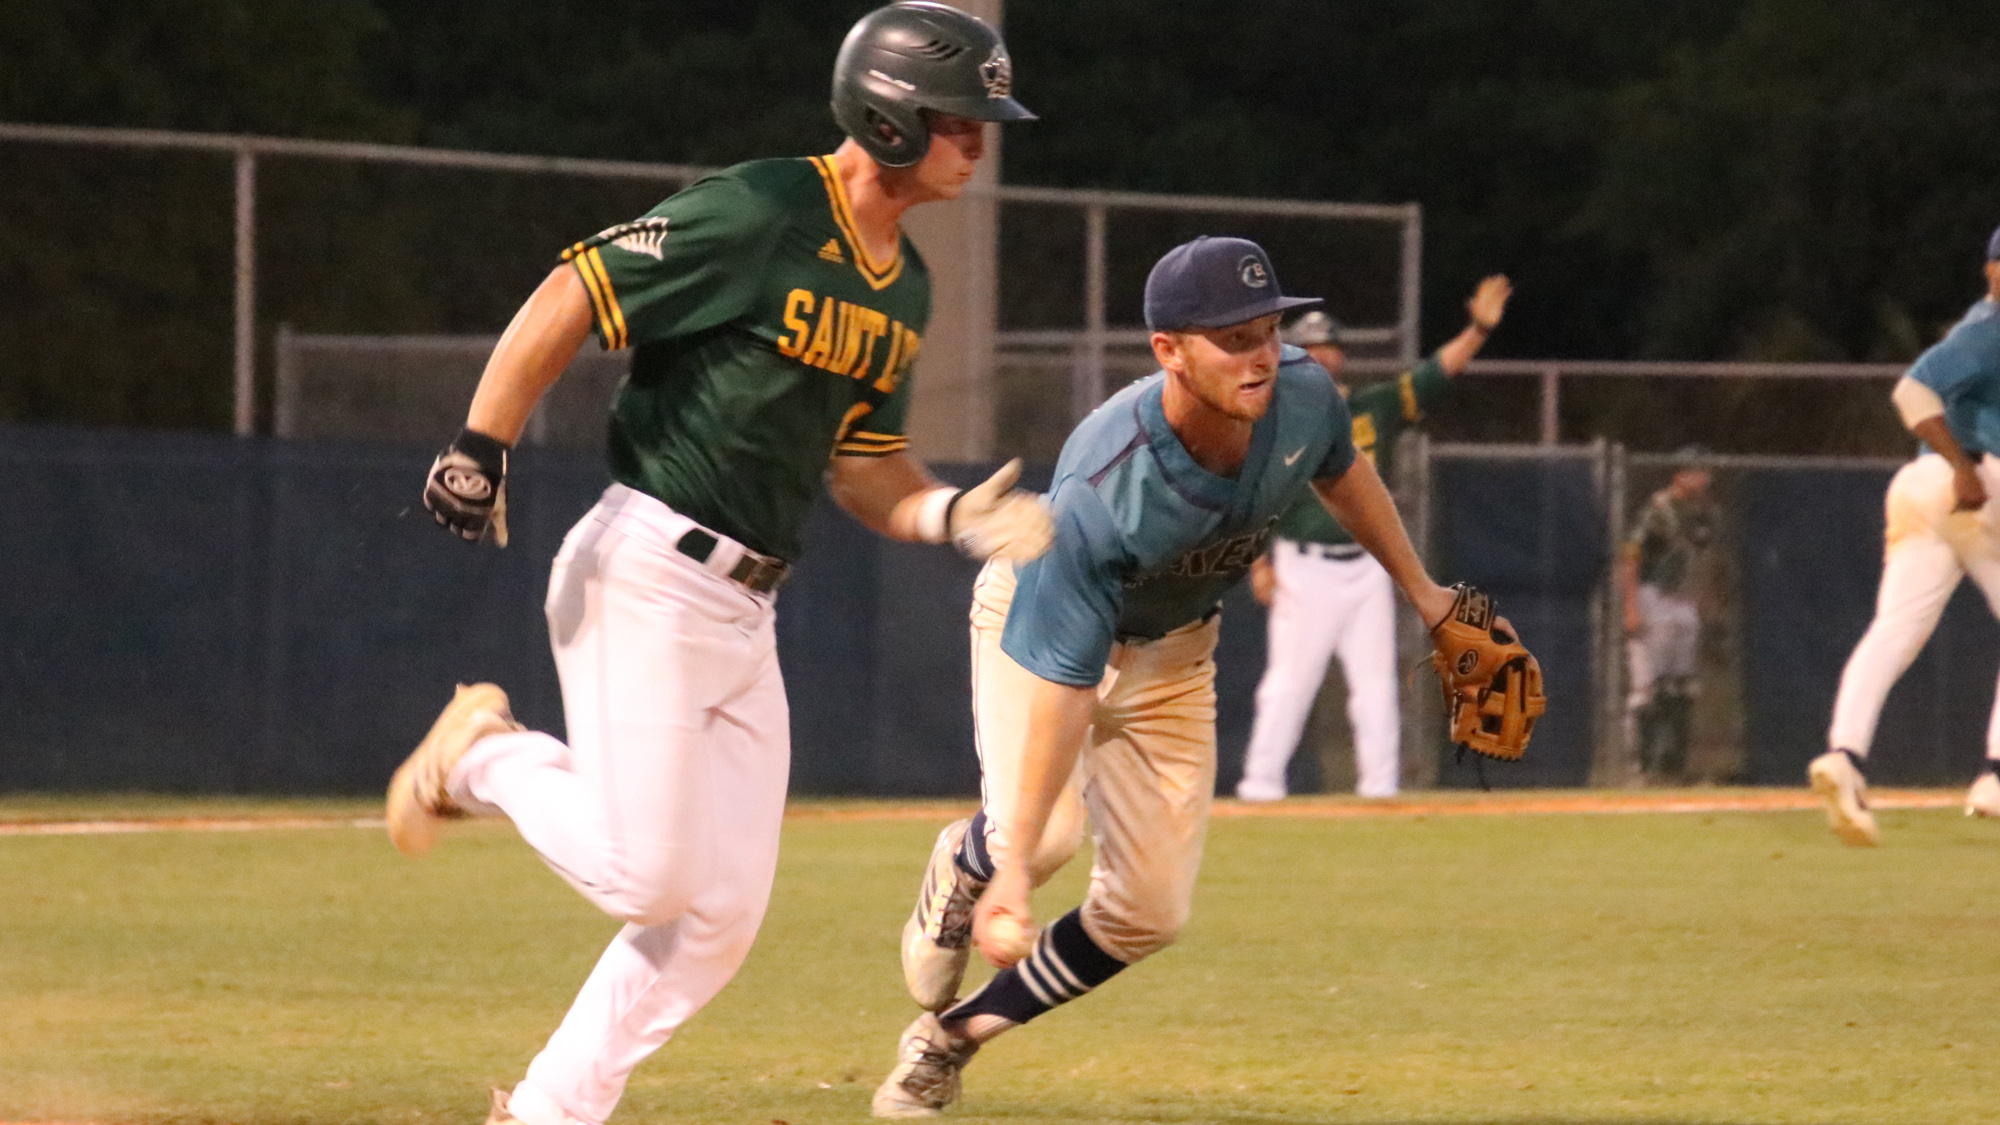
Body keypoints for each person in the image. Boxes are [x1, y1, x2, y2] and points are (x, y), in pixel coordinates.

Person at [381, 7, 1051, 1125]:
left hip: (745, 610)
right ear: (888, 114)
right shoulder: (763, 208)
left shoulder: (905, 285)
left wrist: (947, 516)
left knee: (717, 919)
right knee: (647, 878)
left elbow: (864, 462)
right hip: (646, 562)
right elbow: (577, 289)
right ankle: (485, 757)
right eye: (959, 119)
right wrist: (479, 444)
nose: (977, 142)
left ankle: (546, 1111)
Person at [874, 236, 1474, 1117]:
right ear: (1169, 350)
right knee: (1036, 842)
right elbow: (1068, 688)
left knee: (1149, 912)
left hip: (1178, 651)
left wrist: (1426, 595)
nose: (1260, 353)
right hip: (1039, 628)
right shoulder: (1104, 488)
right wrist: (1009, 882)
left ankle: (950, 1037)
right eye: (1232, 338)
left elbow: (1342, 470)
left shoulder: (1301, 391)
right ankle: (967, 864)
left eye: (1267, 327)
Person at [1234, 276, 1513, 801]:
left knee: (1376, 689)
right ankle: (1259, 788)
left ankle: (1381, 792)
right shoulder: (1274, 418)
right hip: (1303, 566)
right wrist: (1258, 564)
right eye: (1309, 349)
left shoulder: (1369, 410)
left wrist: (1477, 330)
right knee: (1289, 686)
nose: (1321, 357)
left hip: (1366, 566)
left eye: (1329, 348)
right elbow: (1252, 495)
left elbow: (1435, 375)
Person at [1814, 223, 2000, 846]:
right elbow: (1912, 389)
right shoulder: (1990, 329)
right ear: (1992, 272)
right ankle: (1996, 777)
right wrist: (1962, 468)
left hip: (1922, 488)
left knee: (1893, 631)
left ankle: (1845, 756)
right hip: (1970, 479)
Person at [1620, 456, 1719, 782]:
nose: (1700, 477)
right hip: (1654, 596)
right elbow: (1631, 556)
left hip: (1684, 599)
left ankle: (1674, 766)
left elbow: (1705, 560)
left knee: (1681, 686)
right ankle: (1640, 765)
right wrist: (1631, 608)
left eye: (1703, 471)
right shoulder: (1658, 510)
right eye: (1693, 471)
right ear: (1679, 475)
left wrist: (1705, 601)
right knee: (1647, 688)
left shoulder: (1706, 513)